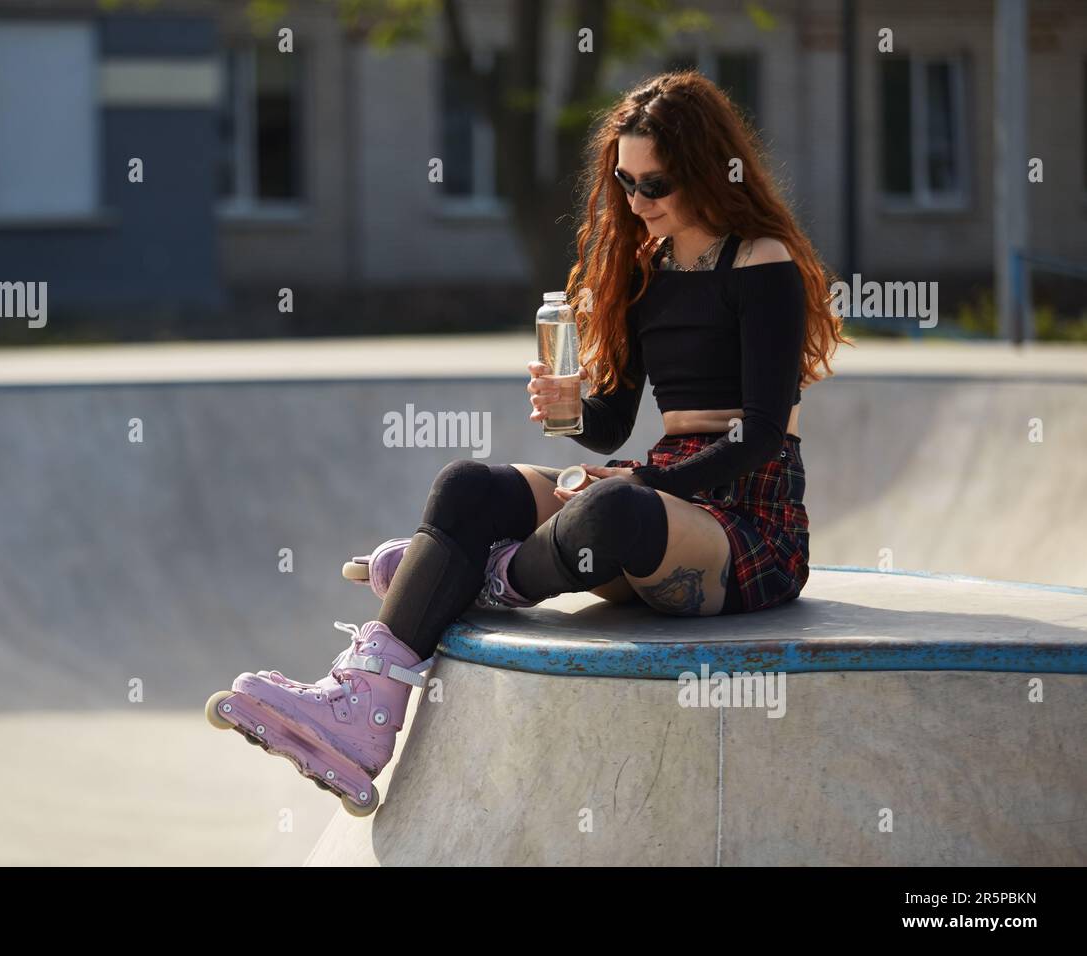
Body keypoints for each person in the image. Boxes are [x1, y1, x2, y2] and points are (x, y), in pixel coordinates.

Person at [207, 70, 853, 815]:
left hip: (748, 518)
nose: (638, 202)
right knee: (468, 487)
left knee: (611, 510)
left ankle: (465, 582)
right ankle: (360, 713)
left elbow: (763, 435)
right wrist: (574, 409)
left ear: (708, 171)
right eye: (626, 183)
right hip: (664, 488)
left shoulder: (761, 262)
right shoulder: (649, 268)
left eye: (657, 184)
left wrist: (634, 484)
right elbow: (613, 427)